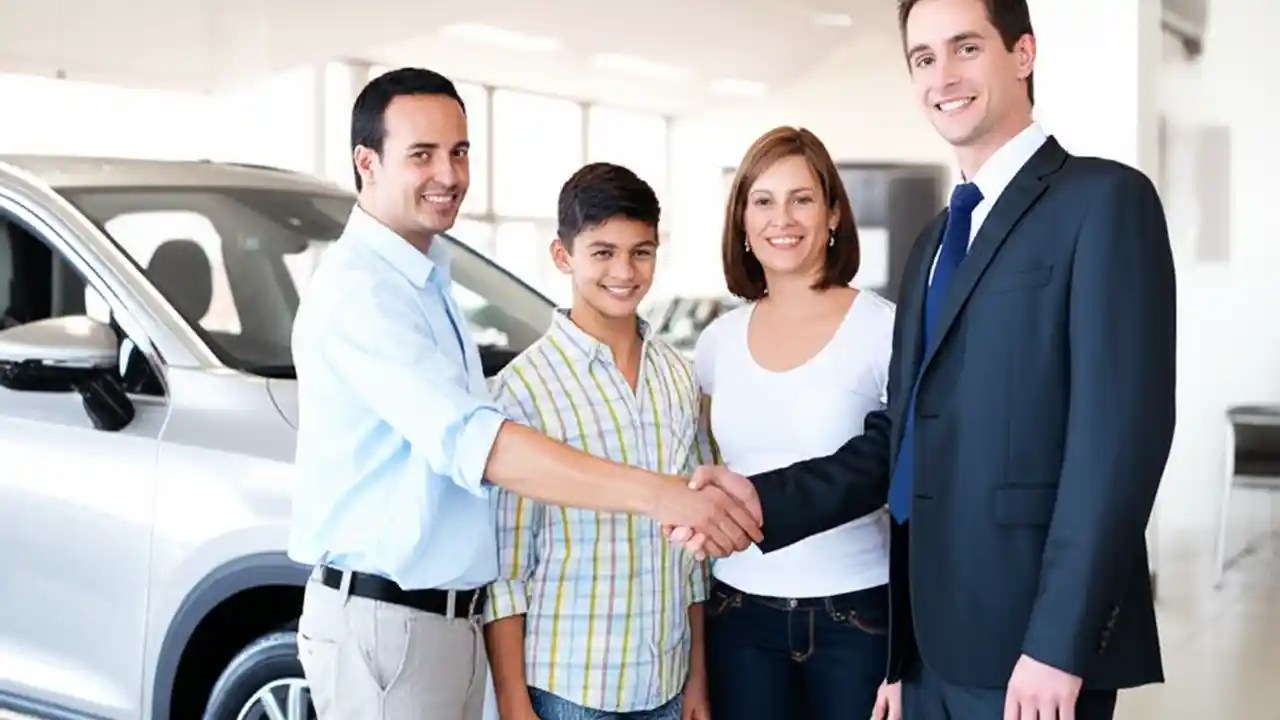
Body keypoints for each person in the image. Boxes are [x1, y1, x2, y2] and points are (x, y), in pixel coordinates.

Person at [677, 0, 1177, 717]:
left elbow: (1118, 444)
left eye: (965, 48)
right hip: (930, 651)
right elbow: (902, 447)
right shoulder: (936, 241)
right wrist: (765, 501)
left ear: (1024, 54)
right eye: (923, 58)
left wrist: (1061, 645)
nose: (943, 75)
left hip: (1031, 653)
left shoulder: (1103, 202)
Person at [289, 68, 760, 719]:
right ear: (365, 162)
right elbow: (474, 443)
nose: (449, 174)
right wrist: (663, 493)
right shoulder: (361, 293)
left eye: (459, 151)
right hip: (389, 623)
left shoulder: (426, 281)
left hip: (445, 625)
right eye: (421, 154)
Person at [483, 162, 711, 720]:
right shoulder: (523, 389)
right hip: (569, 689)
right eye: (603, 252)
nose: (625, 271)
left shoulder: (678, 377)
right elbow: (506, 568)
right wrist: (513, 700)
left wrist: (698, 682)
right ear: (563, 256)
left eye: (641, 251)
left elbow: (694, 555)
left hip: (667, 681)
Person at [691, 126, 900, 720]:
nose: (782, 218)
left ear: (833, 214)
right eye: (763, 200)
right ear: (743, 223)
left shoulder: (883, 329)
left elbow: (904, 480)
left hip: (857, 620)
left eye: (801, 198)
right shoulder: (717, 343)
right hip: (738, 616)